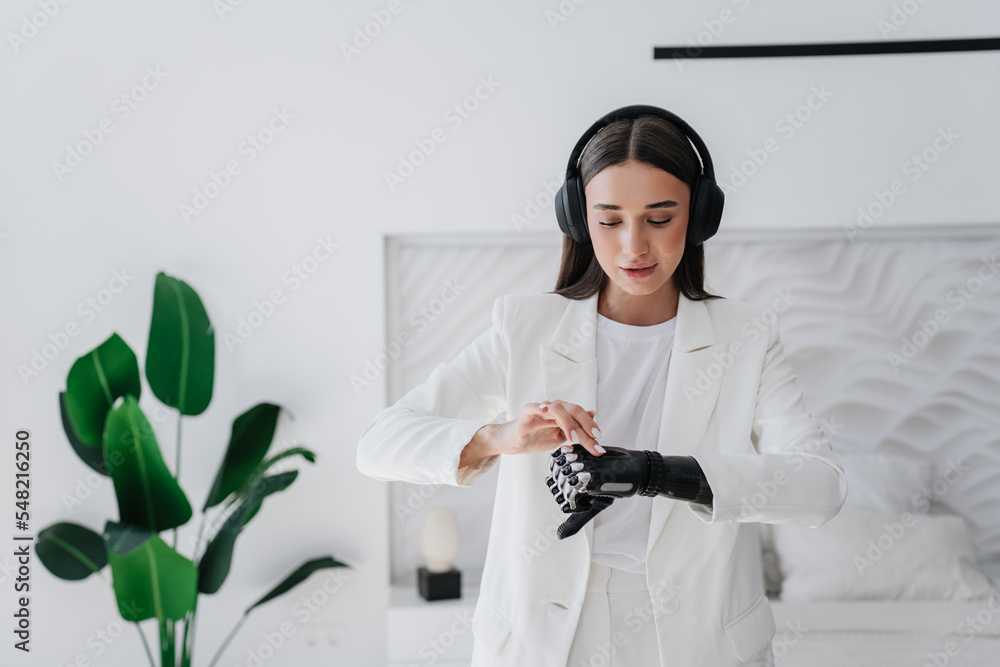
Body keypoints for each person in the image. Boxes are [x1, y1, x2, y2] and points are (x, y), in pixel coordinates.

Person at [357, 105, 848, 666]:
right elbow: (378, 444)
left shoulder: (747, 337)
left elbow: (820, 487)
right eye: (610, 220)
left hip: (695, 639)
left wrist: (654, 472)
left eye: (660, 219)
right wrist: (502, 438)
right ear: (578, 219)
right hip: (545, 636)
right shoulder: (524, 327)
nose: (633, 247)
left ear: (700, 216)